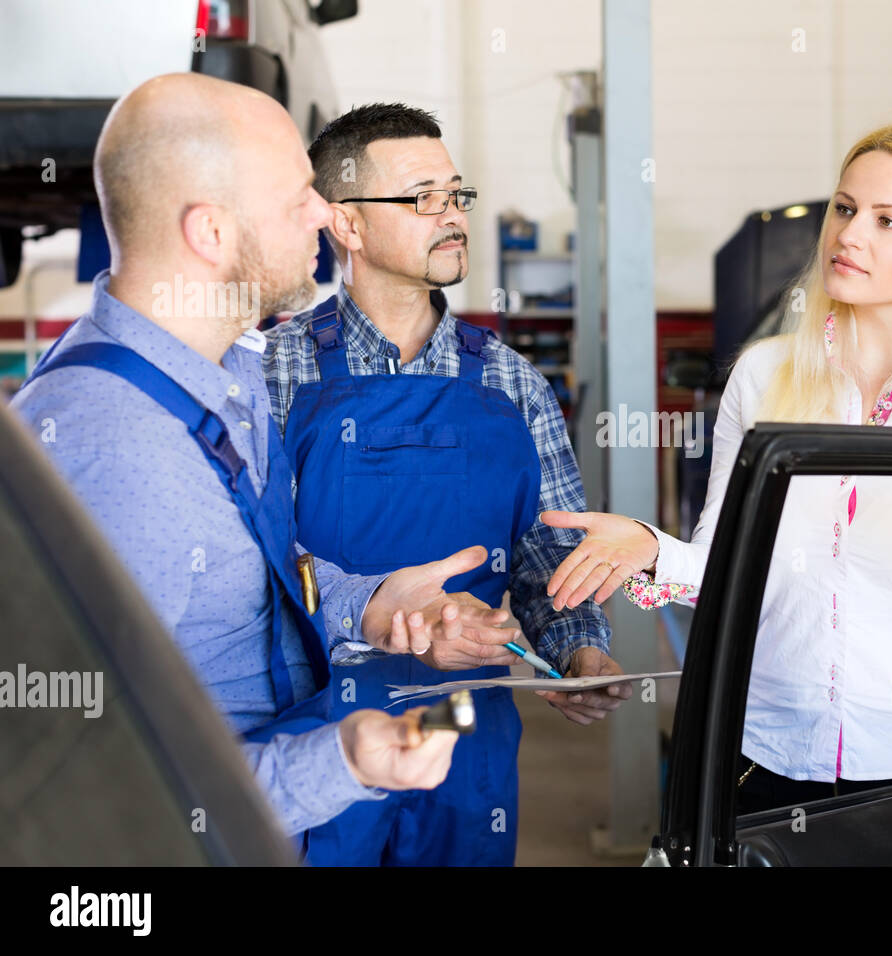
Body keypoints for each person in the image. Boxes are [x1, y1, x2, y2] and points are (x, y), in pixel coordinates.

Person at [11, 74, 519, 844]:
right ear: (210, 232)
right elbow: (87, 781)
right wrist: (339, 763)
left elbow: (255, 570)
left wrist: (370, 604)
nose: (325, 213)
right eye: (299, 198)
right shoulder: (110, 449)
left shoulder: (231, 374)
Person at [543, 125, 892, 813]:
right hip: (770, 749)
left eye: (888, 222)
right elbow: (725, 568)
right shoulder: (764, 376)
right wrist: (649, 549)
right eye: (845, 209)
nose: (850, 235)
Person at [262, 103, 627, 866]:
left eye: (456, 195)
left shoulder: (510, 380)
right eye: (421, 197)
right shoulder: (272, 372)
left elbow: (546, 554)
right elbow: (254, 565)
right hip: (319, 735)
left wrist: (578, 652)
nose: (451, 216)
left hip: (469, 735)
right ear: (348, 225)